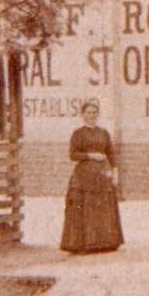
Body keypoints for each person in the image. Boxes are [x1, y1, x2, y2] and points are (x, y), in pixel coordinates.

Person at [60, 99, 123, 254]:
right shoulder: (78, 134)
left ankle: (104, 242)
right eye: (88, 113)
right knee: (85, 208)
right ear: (83, 115)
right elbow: (72, 154)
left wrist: (115, 171)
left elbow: (111, 153)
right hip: (83, 177)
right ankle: (84, 243)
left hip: (102, 176)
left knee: (102, 207)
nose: (91, 115)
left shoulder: (104, 133)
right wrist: (90, 155)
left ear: (98, 114)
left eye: (94, 112)